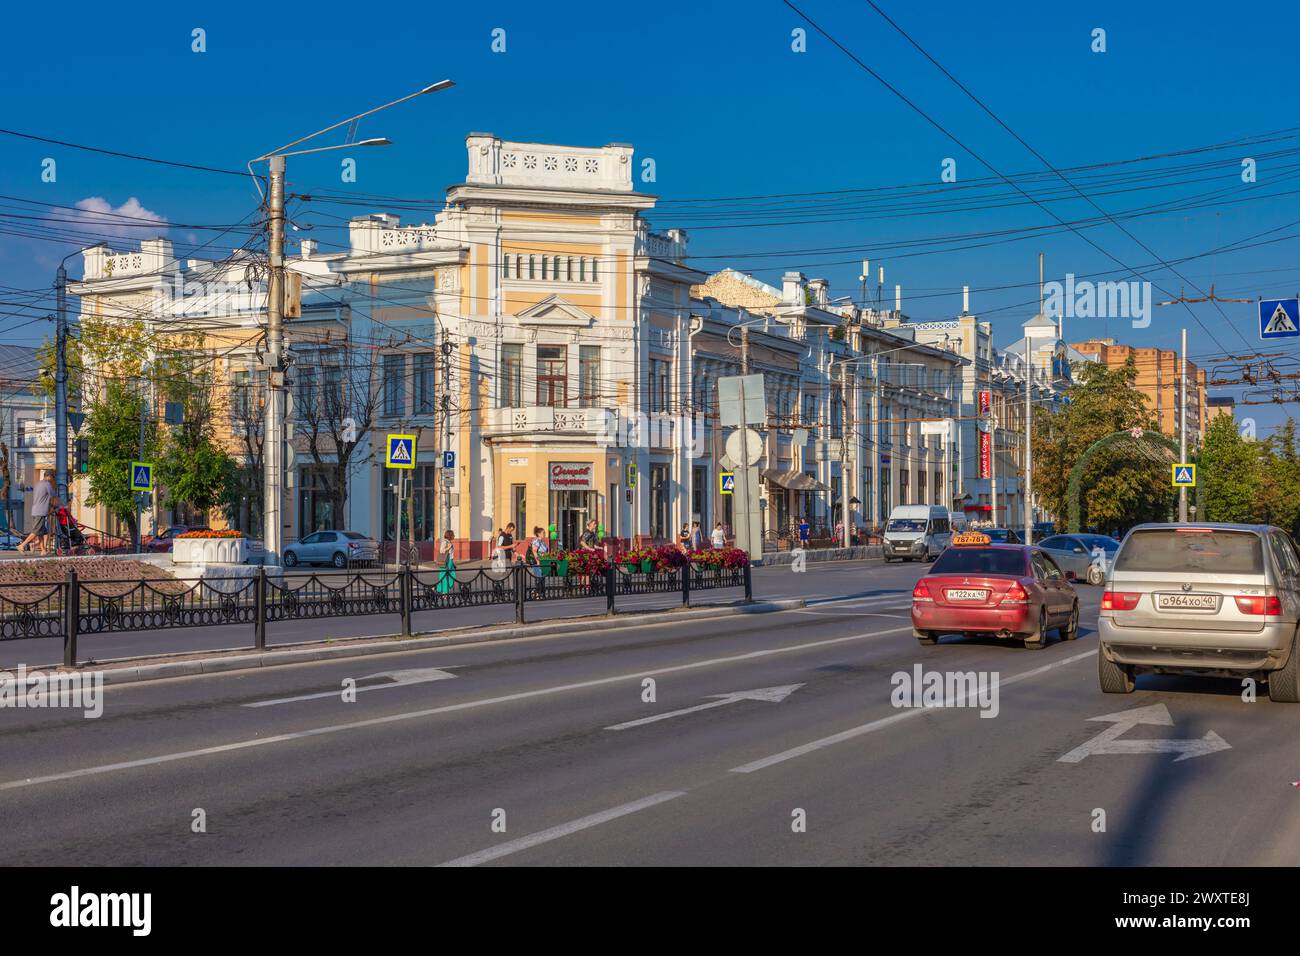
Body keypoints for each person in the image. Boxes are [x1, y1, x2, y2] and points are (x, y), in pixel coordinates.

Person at [19, 469, 57, 554]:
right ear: (49, 476)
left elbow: (39, 495)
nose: (53, 479)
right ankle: (22, 545)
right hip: (40, 511)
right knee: (36, 531)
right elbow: (53, 495)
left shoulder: (38, 483)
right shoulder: (47, 484)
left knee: (43, 532)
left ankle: (43, 550)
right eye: (52, 477)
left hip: (35, 510)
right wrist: (61, 505)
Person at [436, 529, 457, 594]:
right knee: (444, 576)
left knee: (452, 574)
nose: (454, 536)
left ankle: (439, 588)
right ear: (450, 535)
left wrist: (452, 562)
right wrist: (448, 548)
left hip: (450, 561)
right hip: (445, 561)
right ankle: (444, 592)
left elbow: (451, 554)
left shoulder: (449, 542)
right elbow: (441, 551)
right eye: (453, 535)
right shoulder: (445, 542)